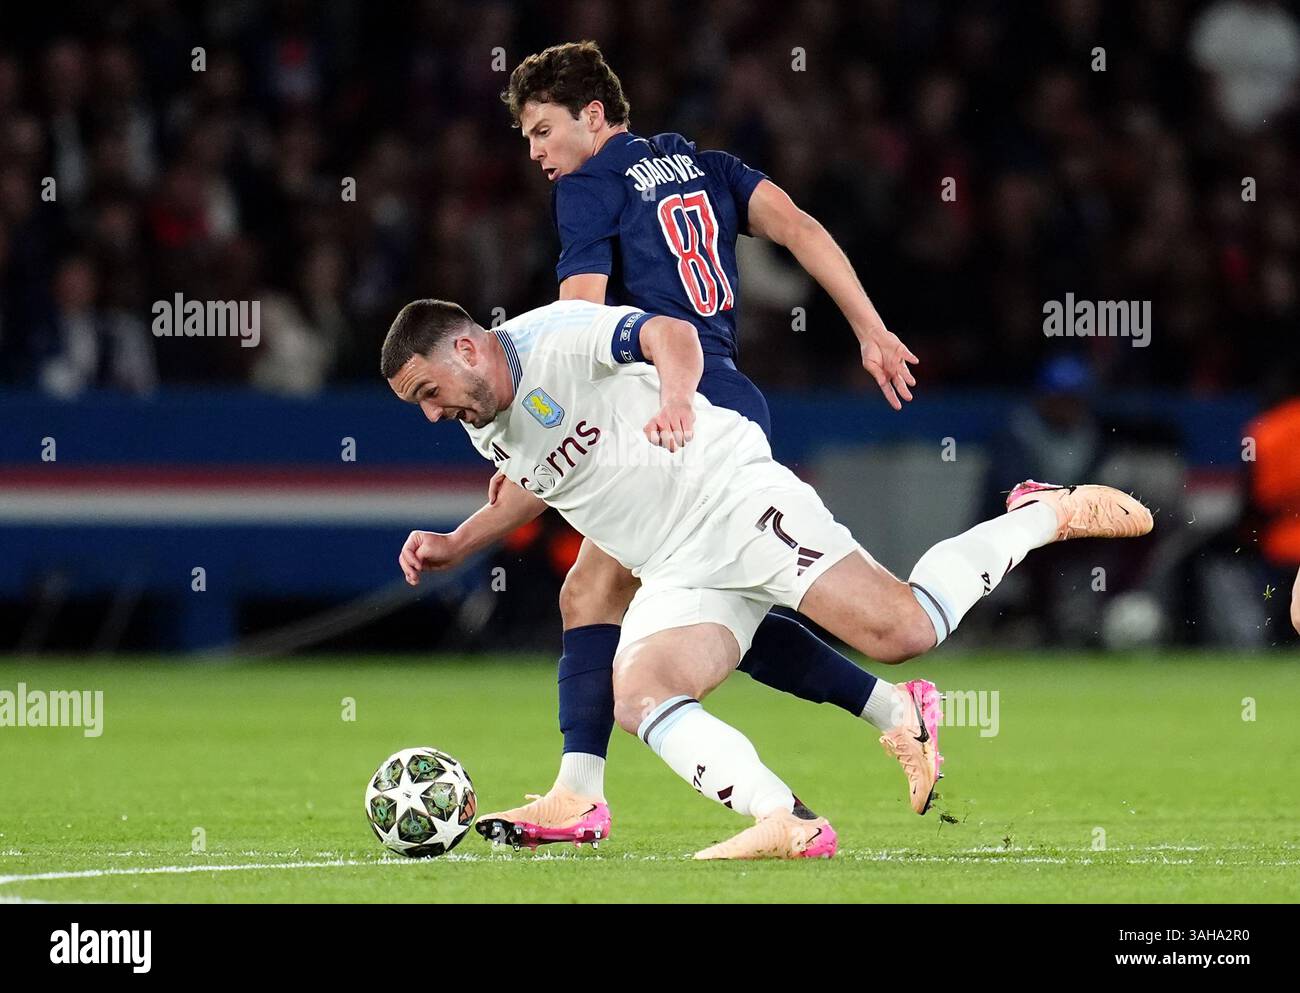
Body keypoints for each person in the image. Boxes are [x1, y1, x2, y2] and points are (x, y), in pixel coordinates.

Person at [383, 297, 1153, 859]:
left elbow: (668, 332)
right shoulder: (482, 417)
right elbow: (542, 475)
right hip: (677, 565)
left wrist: (678, 397)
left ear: (469, 349)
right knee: (641, 692)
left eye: (427, 392)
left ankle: (1041, 515)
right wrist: (460, 539)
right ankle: (786, 818)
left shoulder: (555, 336)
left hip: (734, 499)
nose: (430, 414)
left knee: (905, 631)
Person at [469, 40, 924, 847]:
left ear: (594, 116)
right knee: (702, 598)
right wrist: (873, 330)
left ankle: (585, 797)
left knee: (619, 596)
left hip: (669, 411)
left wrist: (534, 451)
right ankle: (892, 707)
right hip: (734, 400)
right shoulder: (709, 167)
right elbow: (803, 228)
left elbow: (580, 327)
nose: (536, 152)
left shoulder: (587, 186)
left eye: (542, 130)